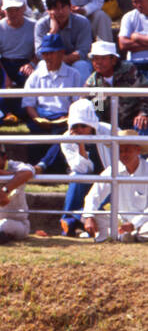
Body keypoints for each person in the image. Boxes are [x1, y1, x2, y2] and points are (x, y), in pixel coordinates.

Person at [22, 33, 84, 170]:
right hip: (42, 116)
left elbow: (80, 103)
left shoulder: (76, 75)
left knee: (64, 136)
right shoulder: (35, 76)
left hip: (66, 118)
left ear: (61, 53)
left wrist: (68, 118)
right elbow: (28, 103)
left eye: (51, 53)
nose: (47, 57)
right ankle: (39, 166)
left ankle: (42, 166)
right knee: (35, 138)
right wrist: (37, 119)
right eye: (45, 54)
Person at [55, 97, 112, 234]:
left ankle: (71, 220)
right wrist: (80, 144)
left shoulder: (109, 130)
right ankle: (71, 222)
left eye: (83, 126)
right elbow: (82, 169)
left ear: (92, 125)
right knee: (77, 178)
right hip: (86, 180)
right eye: (75, 126)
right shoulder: (67, 139)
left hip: (109, 179)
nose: (79, 130)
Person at [82, 132, 148, 241]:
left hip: (144, 220)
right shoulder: (113, 170)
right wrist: (89, 217)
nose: (123, 154)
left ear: (138, 150)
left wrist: (134, 224)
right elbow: (94, 194)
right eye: (120, 151)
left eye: (127, 150)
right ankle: (125, 235)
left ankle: (125, 235)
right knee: (89, 214)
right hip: (119, 220)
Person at [87, 39, 148, 131]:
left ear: (114, 60)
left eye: (103, 58)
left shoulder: (129, 72)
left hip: (133, 120)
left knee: (143, 124)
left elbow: (145, 92)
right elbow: (94, 108)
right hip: (108, 126)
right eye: (95, 59)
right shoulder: (93, 82)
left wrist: (143, 113)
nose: (98, 62)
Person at [0, 0, 36, 86]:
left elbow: (39, 51)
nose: (13, 14)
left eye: (16, 9)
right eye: (9, 10)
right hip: (4, 63)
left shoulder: (34, 26)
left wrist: (31, 64)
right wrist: (4, 76)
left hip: (26, 63)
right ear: (4, 10)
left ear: (24, 8)